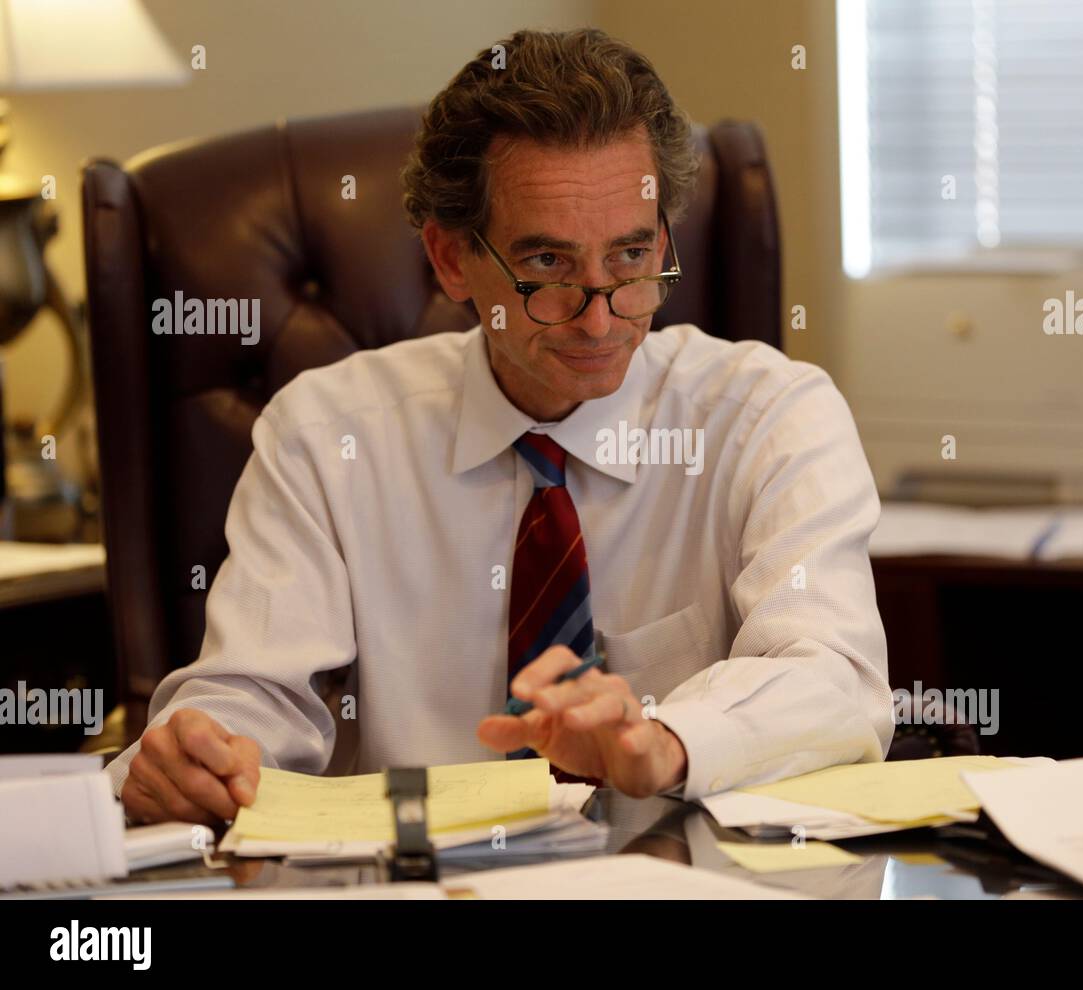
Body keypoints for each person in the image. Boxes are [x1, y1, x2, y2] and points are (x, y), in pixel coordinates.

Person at [109, 26, 892, 827]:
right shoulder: (326, 434)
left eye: (630, 258)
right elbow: (251, 694)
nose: (599, 320)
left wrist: (668, 740)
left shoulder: (770, 417)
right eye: (547, 266)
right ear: (451, 260)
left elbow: (833, 676)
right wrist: (195, 756)